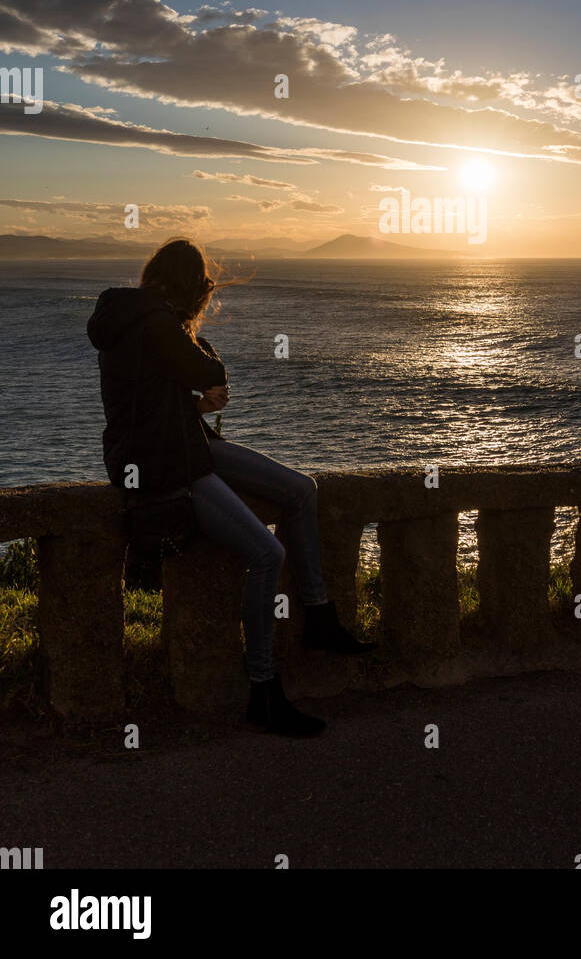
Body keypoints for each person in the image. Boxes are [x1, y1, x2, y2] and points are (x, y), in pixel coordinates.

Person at [86, 237, 373, 737]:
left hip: (178, 438)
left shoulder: (134, 318)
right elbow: (209, 370)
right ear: (187, 285)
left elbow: (148, 399)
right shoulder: (156, 321)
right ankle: (263, 689)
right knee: (266, 555)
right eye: (200, 288)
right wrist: (196, 343)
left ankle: (320, 616)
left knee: (302, 489)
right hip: (166, 464)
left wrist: (196, 405)